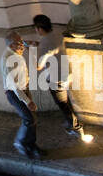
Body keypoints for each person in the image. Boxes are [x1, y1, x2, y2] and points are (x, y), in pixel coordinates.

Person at [32, 14, 93, 142]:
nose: (36, 30)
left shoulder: (44, 45)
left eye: (36, 28)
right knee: (66, 102)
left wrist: (33, 50)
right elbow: (52, 48)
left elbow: (38, 66)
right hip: (66, 74)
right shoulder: (57, 34)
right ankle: (70, 122)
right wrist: (38, 45)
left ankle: (77, 129)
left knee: (63, 105)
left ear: (39, 28)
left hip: (55, 79)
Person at [2, 30, 43, 159]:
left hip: (24, 88)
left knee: (33, 118)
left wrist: (30, 45)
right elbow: (14, 85)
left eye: (21, 40)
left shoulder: (16, 49)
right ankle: (20, 142)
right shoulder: (8, 60)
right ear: (11, 45)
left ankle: (31, 145)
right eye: (19, 42)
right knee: (28, 119)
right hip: (15, 93)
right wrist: (27, 101)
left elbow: (26, 46)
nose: (22, 44)